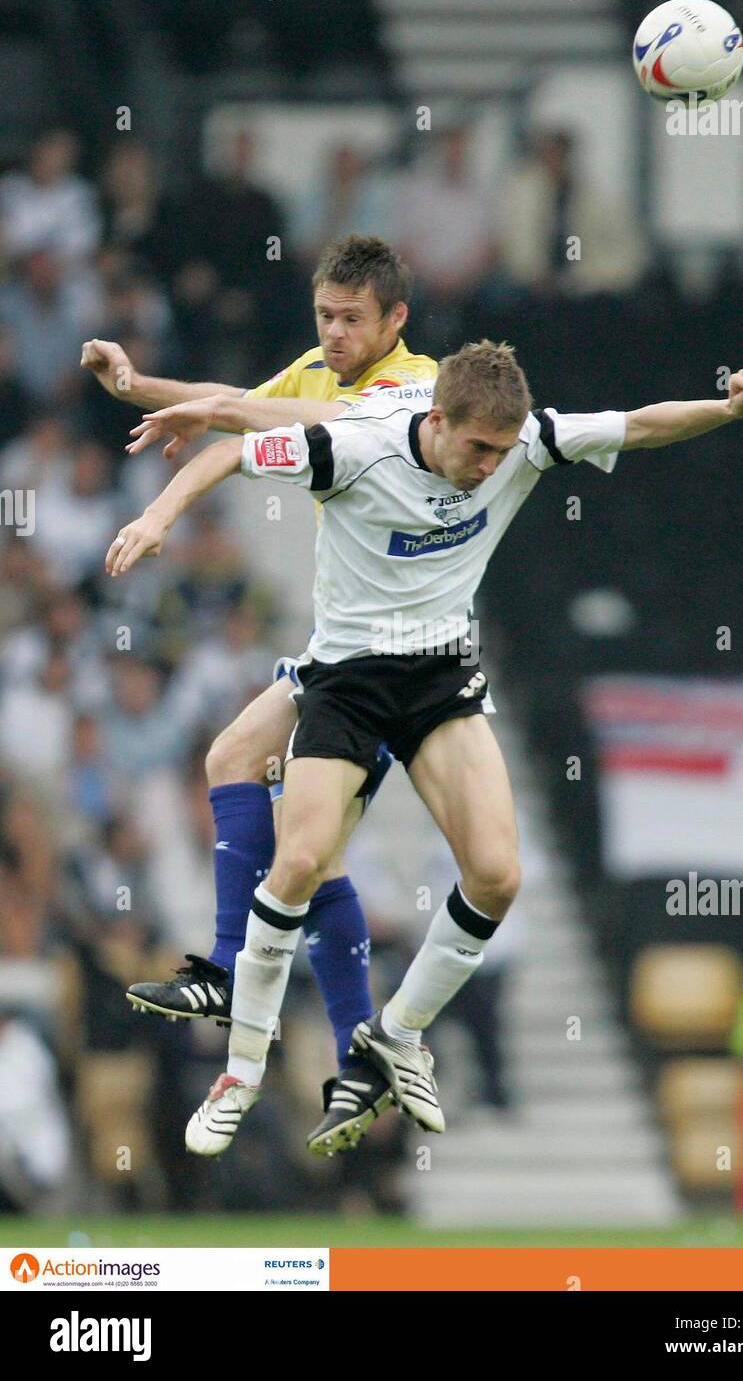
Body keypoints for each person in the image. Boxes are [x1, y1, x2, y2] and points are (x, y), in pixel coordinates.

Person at [106, 342, 743, 1155]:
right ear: (437, 421)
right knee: (297, 864)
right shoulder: (354, 447)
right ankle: (241, 1072)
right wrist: (155, 518)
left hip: (438, 681)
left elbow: (640, 427)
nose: (491, 467)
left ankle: (396, 1034)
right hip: (346, 681)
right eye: (478, 449)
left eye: (503, 451)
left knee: (498, 875)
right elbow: (228, 450)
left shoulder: (525, 440)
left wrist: (728, 408)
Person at [84, 235, 436, 1153]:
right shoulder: (323, 370)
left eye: (352, 319)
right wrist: (137, 388)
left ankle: (316, 1028)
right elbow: (247, 408)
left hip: (406, 663)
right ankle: (283, 1002)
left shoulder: (417, 388)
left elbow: (246, 417)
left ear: (395, 321)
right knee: (246, 775)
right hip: (339, 654)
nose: (334, 334)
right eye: (324, 316)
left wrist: (196, 424)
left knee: (313, 852)